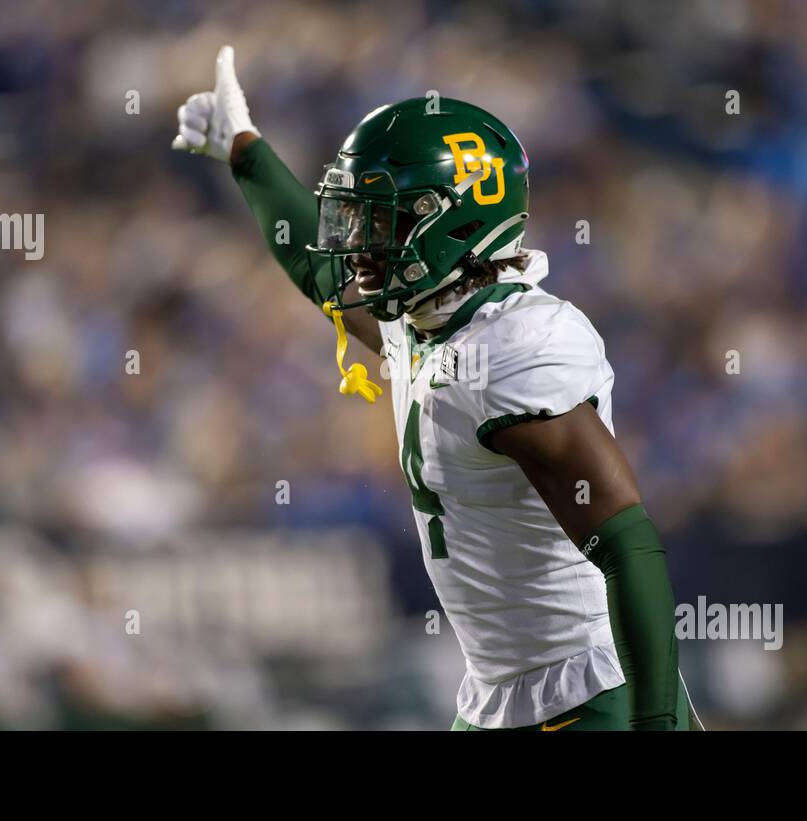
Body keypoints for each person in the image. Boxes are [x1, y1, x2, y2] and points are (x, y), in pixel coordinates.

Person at [174, 46, 696, 731]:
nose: (357, 244)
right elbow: (318, 269)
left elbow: (629, 546)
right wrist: (245, 148)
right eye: (355, 216)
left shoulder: (516, 348)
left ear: (457, 222)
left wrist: (654, 725)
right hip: (496, 698)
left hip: (588, 695)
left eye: (380, 220)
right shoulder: (429, 315)